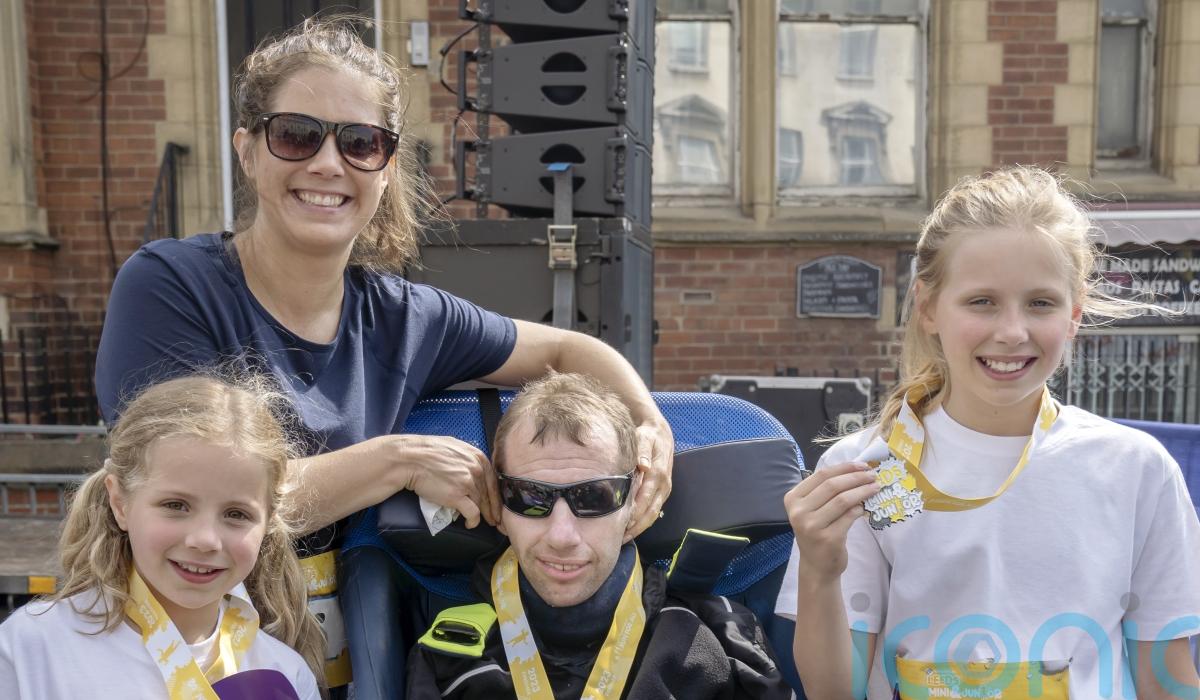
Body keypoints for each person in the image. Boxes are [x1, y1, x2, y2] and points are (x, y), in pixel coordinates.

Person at [94, 16, 673, 689]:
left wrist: (650, 425)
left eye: (360, 142)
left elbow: (571, 350)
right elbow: (204, 497)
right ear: (248, 150)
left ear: (386, 166)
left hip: (338, 665)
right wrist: (396, 460)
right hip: (171, 657)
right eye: (296, 135)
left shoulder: (403, 315)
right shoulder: (170, 286)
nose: (327, 163)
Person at [776, 166, 1200, 699]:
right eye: (982, 302)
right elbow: (835, 692)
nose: (1012, 332)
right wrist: (819, 571)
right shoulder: (862, 467)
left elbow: (1168, 677)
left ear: (1074, 313)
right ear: (928, 308)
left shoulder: (1136, 467)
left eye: (1040, 303)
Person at [405, 371, 792, 699]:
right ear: (499, 504)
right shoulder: (448, 658)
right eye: (528, 497)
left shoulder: (721, 643)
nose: (562, 535)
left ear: (636, 497)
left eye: (595, 496)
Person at [0, 375, 324, 699]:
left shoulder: (286, 675)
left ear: (268, 521)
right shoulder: (29, 651)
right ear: (120, 503)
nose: (205, 539)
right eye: (175, 505)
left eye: (237, 514)